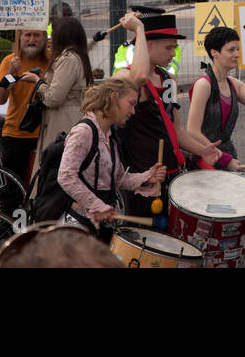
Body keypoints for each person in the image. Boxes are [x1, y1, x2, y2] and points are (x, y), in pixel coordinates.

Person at [114, 11, 222, 217]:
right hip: (142, 178)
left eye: (175, 47)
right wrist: (139, 30)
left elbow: (176, 129)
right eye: (169, 47)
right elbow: (140, 76)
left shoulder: (168, 78)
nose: (173, 53)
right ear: (148, 45)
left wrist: (202, 150)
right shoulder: (125, 76)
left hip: (172, 175)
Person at [57, 77, 167, 240]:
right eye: (131, 103)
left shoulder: (111, 136)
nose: (133, 111)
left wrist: (147, 176)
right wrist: (97, 205)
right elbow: (65, 176)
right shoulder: (83, 132)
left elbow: (118, 179)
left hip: (102, 227)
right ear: (114, 97)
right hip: (78, 226)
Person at [185, 25, 245, 168]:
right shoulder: (204, 85)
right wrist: (224, 159)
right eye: (231, 50)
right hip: (205, 160)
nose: (237, 54)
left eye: (238, 49)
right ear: (214, 52)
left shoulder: (234, 84)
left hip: (228, 156)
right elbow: (192, 131)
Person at [0, 26, 51, 201]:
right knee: (12, 191)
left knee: (42, 188)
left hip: (43, 134)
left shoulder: (51, 61)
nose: (31, 39)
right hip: (15, 134)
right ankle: (9, 226)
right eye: (27, 35)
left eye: (36, 35)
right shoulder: (10, 61)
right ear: (20, 37)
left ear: (44, 38)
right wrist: (11, 73)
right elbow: (0, 99)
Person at [33, 16, 94, 158]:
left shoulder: (68, 59)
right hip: (72, 118)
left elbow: (54, 98)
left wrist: (38, 83)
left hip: (62, 122)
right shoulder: (79, 56)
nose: (50, 39)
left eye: (52, 35)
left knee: (57, 168)